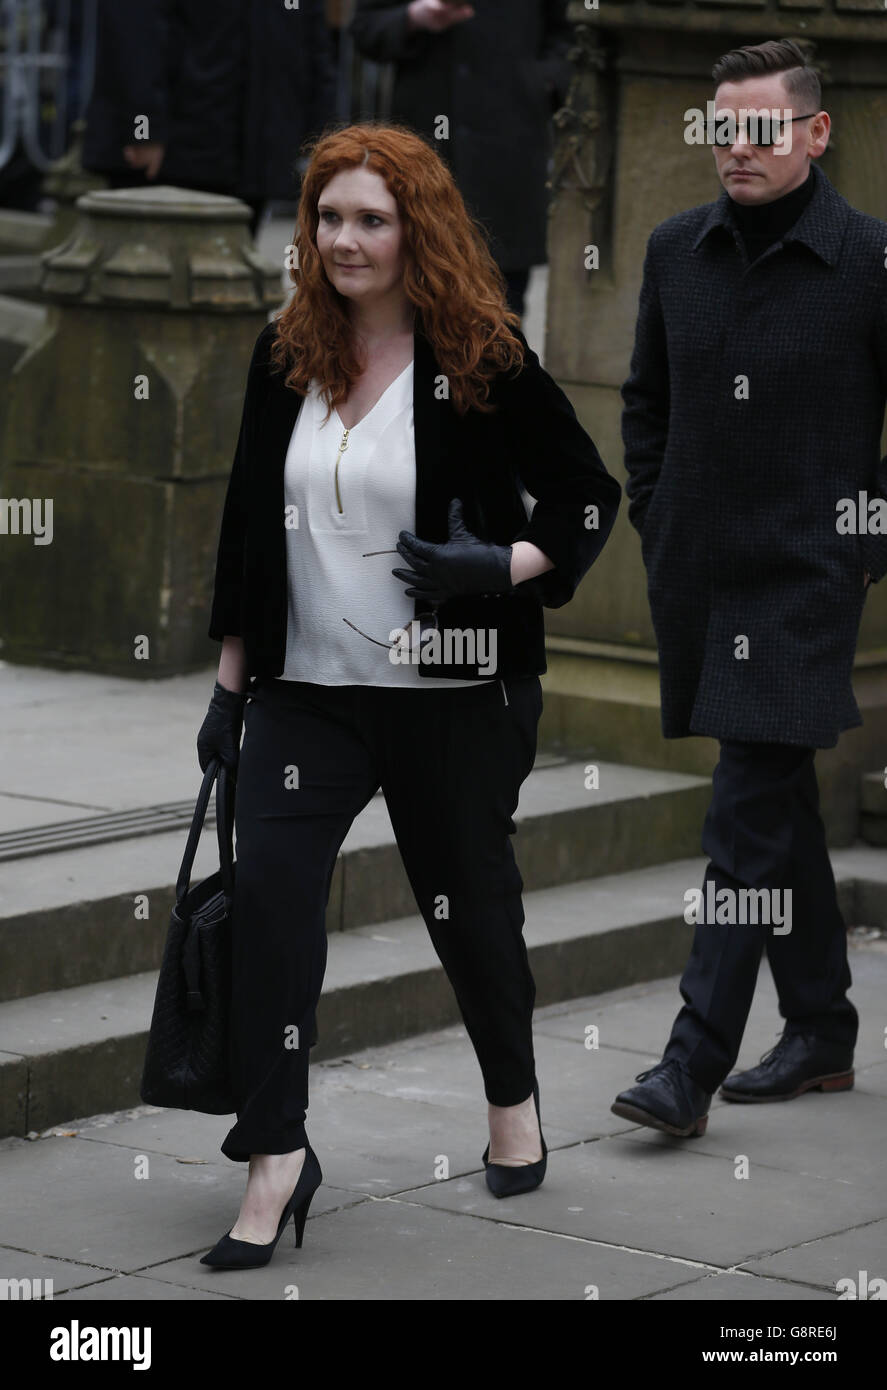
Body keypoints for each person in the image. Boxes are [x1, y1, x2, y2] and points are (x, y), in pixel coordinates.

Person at [196, 122, 621, 1268]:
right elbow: (246, 529)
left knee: (468, 909)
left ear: (413, 229)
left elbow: (586, 498)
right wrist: (230, 692)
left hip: (449, 693)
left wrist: (504, 568)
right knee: (274, 911)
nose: (344, 238)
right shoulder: (282, 352)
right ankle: (276, 1154)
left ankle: (512, 1103)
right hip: (304, 695)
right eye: (328, 216)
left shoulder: (481, 358)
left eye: (369, 219)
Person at [611, 39, 887, 1141]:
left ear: (813, 133)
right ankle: (819, 1027)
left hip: (804, 584)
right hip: (699, 578)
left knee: (739, 815)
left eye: (760, 129)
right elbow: (642, 404)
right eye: (721, 129)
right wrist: (656, 508)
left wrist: (861, 544)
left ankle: (688, 1065)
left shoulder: (867, 260)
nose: (736, 148)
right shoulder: (675, 249)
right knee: (771, 811)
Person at [348, 0, 571, 319]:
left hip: (509, 150)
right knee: (414, 301)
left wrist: (541, 83)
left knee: (500, 306)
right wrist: (413, 18)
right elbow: (365, 27)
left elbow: (570, 32)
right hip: (423, 151)